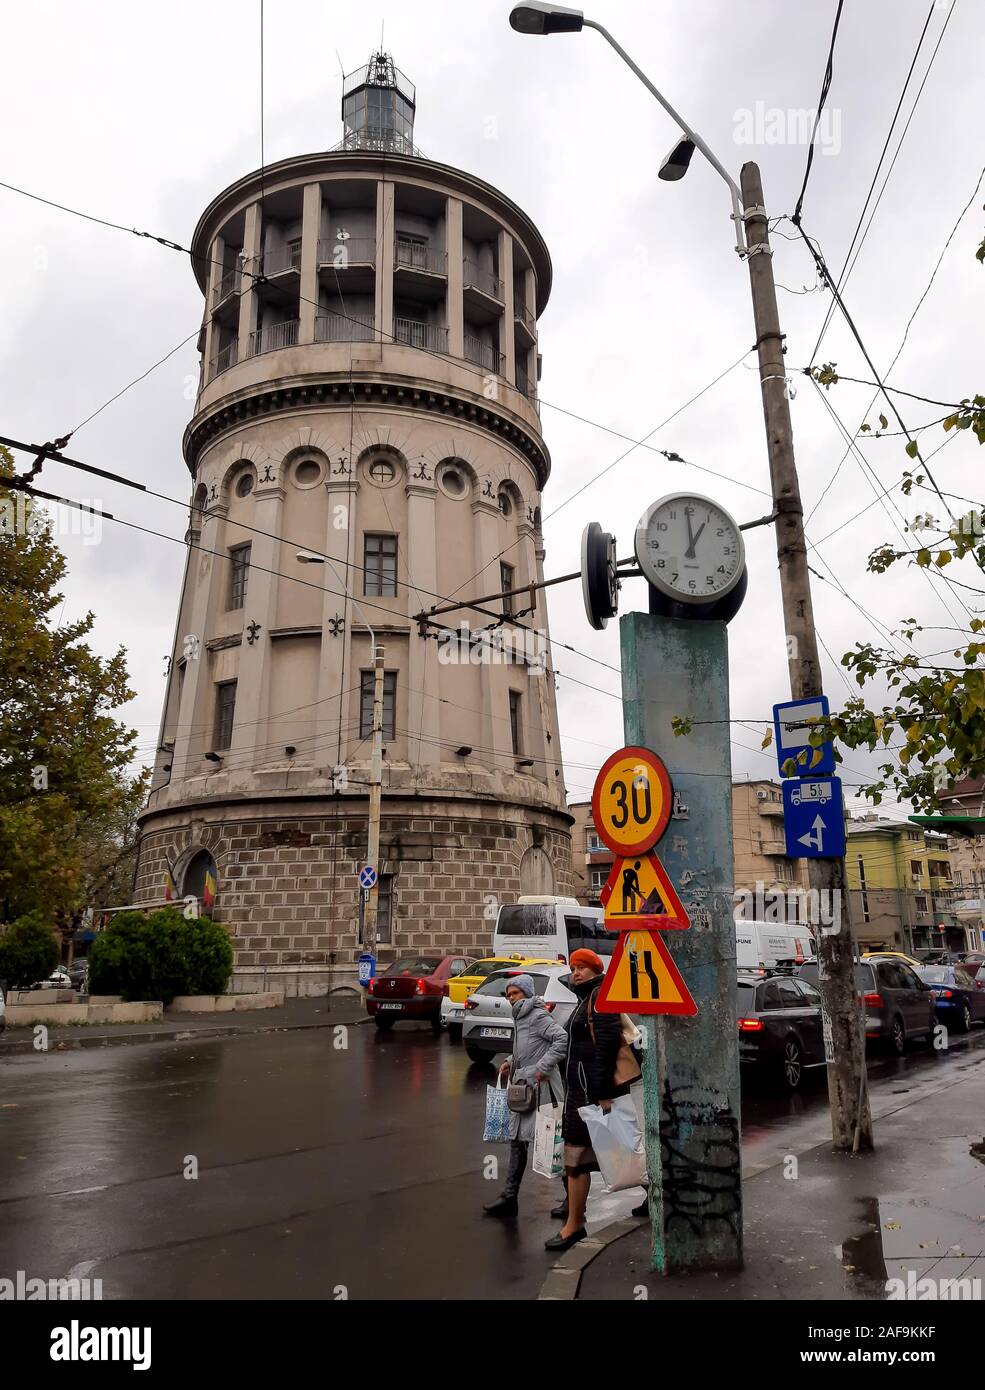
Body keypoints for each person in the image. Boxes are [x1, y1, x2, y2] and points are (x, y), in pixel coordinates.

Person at [546, 948, 638, 1252]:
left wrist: (600, 1092)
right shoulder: (586, 998)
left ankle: (574, 1225)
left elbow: (607, 1045)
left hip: (591, 1093)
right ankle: (576, 1221)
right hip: (581, 1091)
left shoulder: (600, 997)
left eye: (582, 967)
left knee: (586, 1156)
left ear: (596, 970)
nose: (576, 972)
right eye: (573, 967)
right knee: (603, 1153)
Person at [483, 975, 567, 1218]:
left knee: (552, 1142)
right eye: (508, 994)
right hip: (524, 1089)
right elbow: (528, 1049)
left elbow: (561, 1039)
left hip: (542, 1090)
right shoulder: (520, 1016)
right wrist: (511, 1061)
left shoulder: (537, 1015)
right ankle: (509, 1197)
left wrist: (542, 1067)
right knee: (517, 1141)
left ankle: (572, 1200)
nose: (511, 998)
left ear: (527, 994)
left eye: (515, 993)